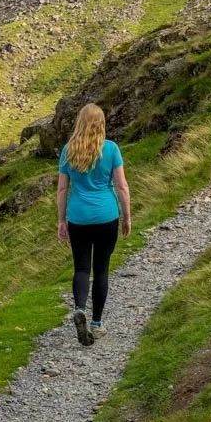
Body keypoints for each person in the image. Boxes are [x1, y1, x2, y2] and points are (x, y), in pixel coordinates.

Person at [57, 102, 132, 345]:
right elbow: (121, 186)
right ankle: (97, 323)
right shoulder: (110, 149)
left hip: (78, 217)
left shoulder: (68, 150)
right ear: (101, 124)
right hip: (106, 216)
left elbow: (62, 189)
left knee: (81, 267)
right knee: (101, 269)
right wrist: (127, 216)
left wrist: (61, 220)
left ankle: (80, 308)